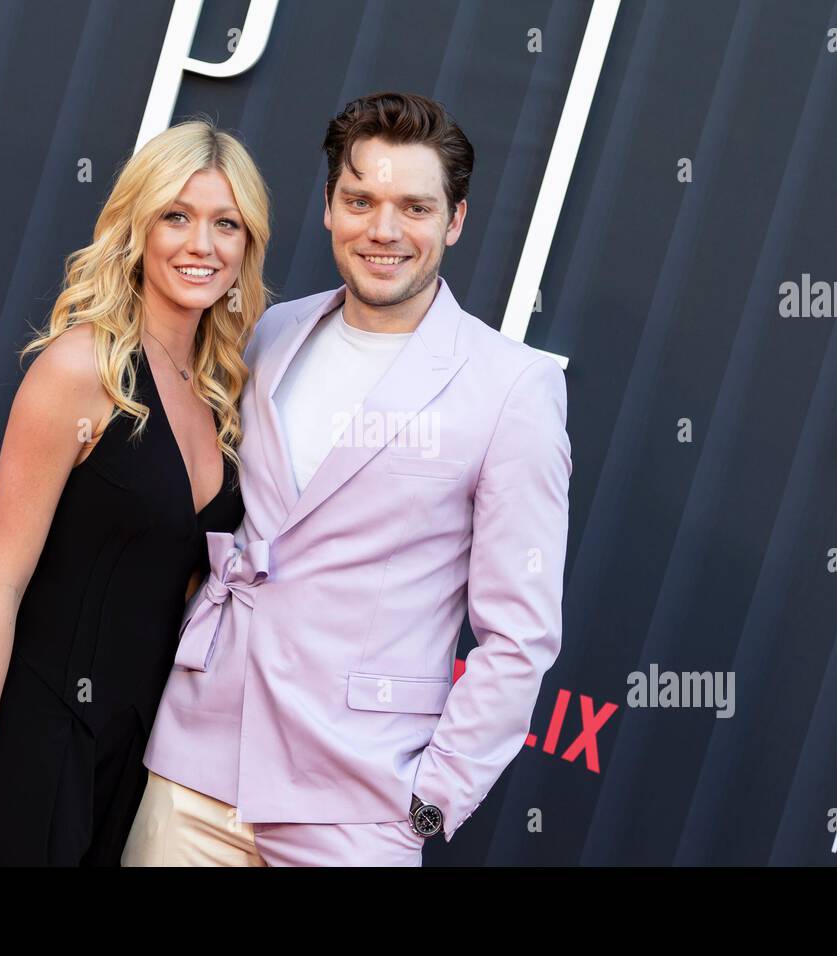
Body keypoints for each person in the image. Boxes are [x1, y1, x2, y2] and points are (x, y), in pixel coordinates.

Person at [122, 91, 571, 867]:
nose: (384, 230)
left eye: (415, 207)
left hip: (359, 810)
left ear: (455, 221)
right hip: (194, 772)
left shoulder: (512, 388)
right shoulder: (267, 333)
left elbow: (519, 636)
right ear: (329, 208)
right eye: (360, 200)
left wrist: (429, 807)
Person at [0, 118, 271, 866]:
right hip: (43, 733)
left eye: (225, 224)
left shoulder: (221, 396)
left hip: (139, 747)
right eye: (177, 217)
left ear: (246, 246)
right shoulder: (83, 368)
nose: (201, 245)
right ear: (138, 228)